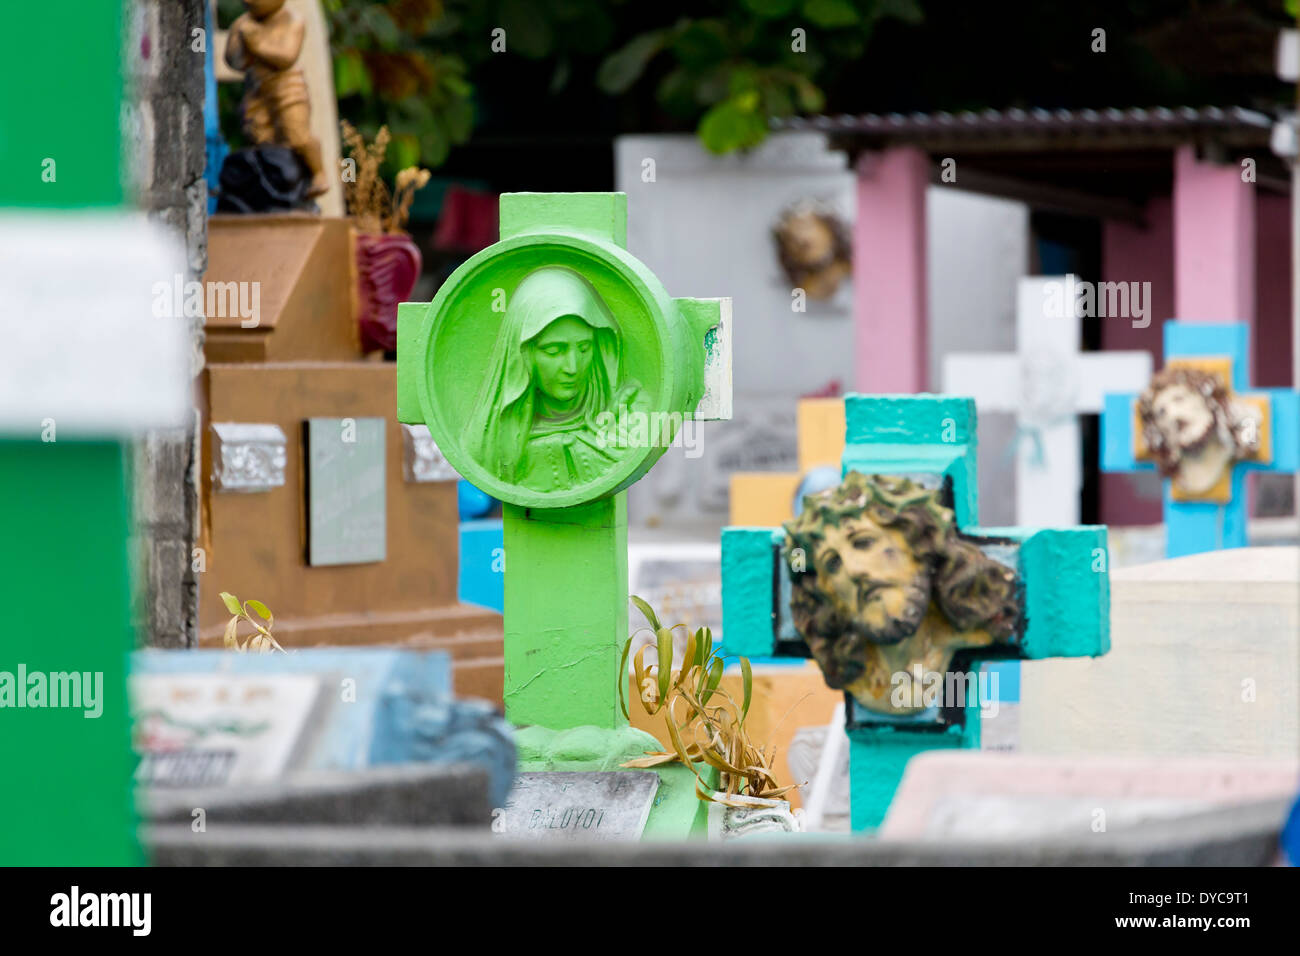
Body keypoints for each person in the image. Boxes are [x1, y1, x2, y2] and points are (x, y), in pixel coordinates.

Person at [469, 267, 646, 492]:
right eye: (554, 351)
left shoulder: (630, 412)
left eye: (584, 348)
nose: (572, 367)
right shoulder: (489, 442)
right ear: (523, 353)